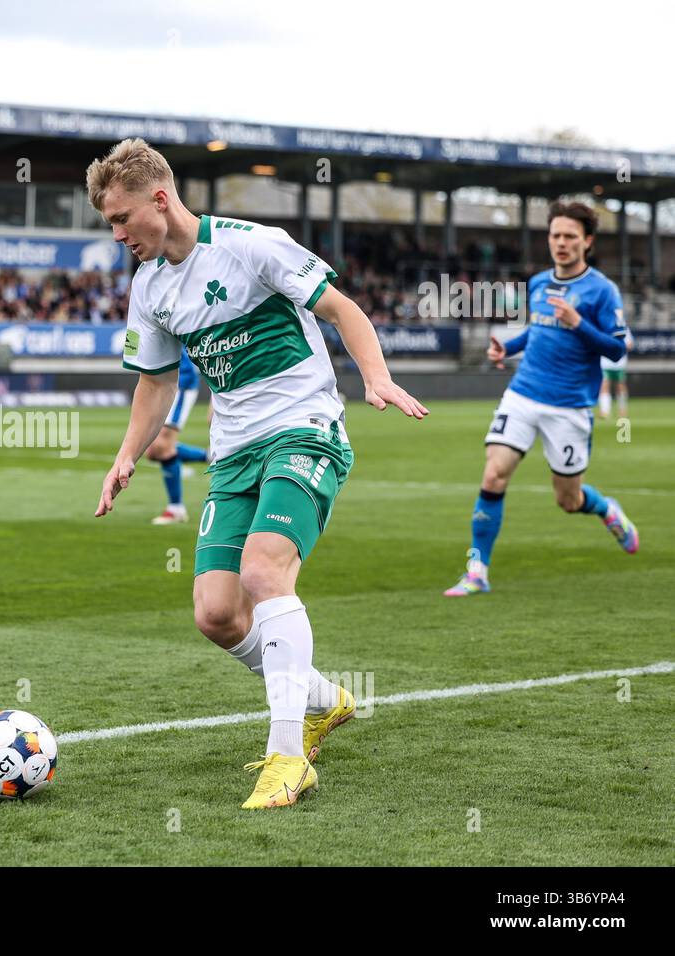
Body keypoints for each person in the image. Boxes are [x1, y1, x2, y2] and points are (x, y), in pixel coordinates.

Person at [88, 139, 428, 809]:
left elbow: (343, 310)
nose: (118, 235)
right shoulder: (150, 286)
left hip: (304, 431)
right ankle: (325, 699)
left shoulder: (252, 244)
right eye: (111, 224)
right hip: (234, 453)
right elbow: (157, 382)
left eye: (122, 219)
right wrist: (128, 452)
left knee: (263, 573)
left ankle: (288, 757)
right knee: (216, 612)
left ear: (160, 198)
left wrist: (376, 376)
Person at [445, 201, 637, 597]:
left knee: (568, 500)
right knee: (493, 473)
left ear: (587, 241)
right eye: (555, 235)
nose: (561, 243)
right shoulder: (538, 283)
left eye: (570, 236)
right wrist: (508, 348)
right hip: (523, 393)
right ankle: (477, 569)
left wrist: (578, 322)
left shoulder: (602, 290)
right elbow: (539, 331)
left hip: (569, 406)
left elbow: (616, 350)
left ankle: (605, 509)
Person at [147, 345, 211, 524]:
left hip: (178, 381)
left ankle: (176, 508)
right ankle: (210, 456)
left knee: (162, 445)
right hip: (160, 381)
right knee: (153, 450)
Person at [597, 327, 634, 419]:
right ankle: (605, 411)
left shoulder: (623, 328)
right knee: (604, 385)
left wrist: (617, 347)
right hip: (605, 363)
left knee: (620, 386)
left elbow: (630, 344)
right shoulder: (602, 326)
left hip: (619, 363)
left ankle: (622, 411)